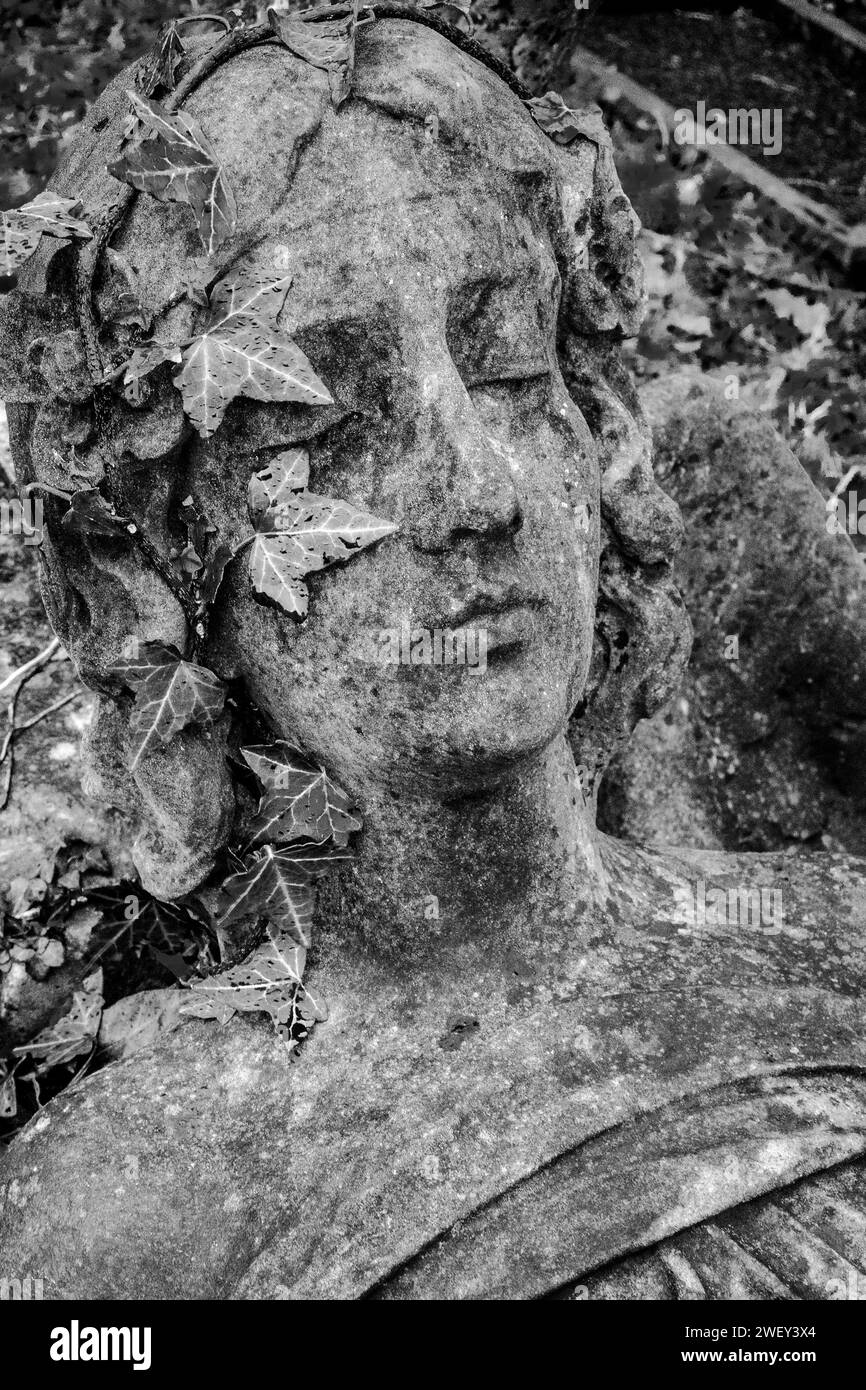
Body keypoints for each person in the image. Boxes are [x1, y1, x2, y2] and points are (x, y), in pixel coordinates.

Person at [1, 7, 864, 1299]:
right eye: (332, 414)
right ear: (156, 571)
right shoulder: (122, 1213)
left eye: (509, 365)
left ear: (595, 423)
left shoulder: (833, 944)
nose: (476, 486)